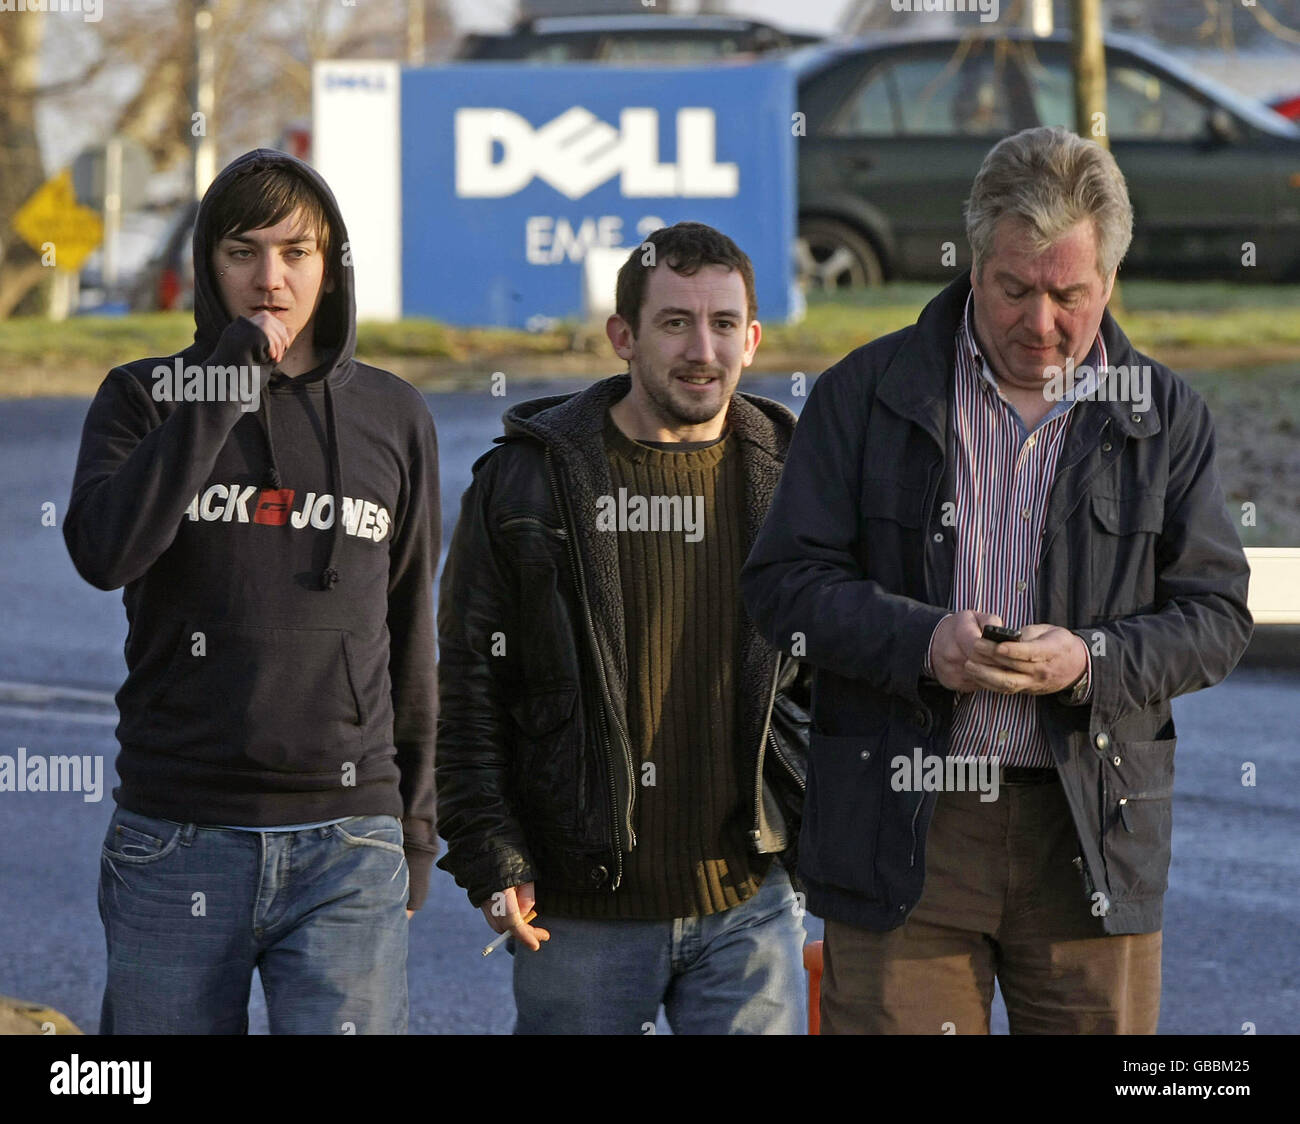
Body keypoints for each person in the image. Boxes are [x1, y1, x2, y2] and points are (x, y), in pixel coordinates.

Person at [741, 126, 1253, 1035]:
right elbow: (783, 587)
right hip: (905, 825)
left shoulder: (1165, 416)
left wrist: (1090, 660)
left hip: (1093, 830)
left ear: (1110, 281)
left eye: (1071, 295)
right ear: (975, 264)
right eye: (1016, 289)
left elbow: (1215, 614)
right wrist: (922, 645)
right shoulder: (864, 394)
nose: (1042, 321)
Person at [64, 149, 440, 1034]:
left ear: (331, 266)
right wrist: (224, 381)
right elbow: (105, 552)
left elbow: (412, 632)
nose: (270, 278)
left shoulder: (394, 416)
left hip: (349, 840)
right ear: (207, 264)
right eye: (243, 252)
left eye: (296, 252)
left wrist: (414, 831)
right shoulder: (143, 399)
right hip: (177, 834)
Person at [436, 222, 809, 1035]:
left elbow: (833, 680)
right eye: (674, 323)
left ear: (751, 337)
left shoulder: (797, 481)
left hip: (748, 906)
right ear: (623, 338)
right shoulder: (526, 482)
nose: (701, 350)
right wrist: (490, 853)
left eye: (721, 325)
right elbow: (467, 686)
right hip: (579, 913)